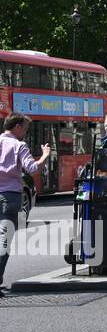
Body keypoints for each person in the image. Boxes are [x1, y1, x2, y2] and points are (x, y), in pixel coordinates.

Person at [1, 114, 52, 294]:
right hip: (9, 197)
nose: (25, 132)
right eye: (25, 128)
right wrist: (45, 155)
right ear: (17, 127)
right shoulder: (18, 146)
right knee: (4, 241)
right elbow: (33, 169)